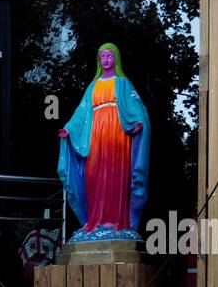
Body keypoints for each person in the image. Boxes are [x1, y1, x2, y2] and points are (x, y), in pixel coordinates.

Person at [57, 42, 151, 240]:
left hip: (117, 134)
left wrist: (137, 121)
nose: (106, 60)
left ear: (116, 59)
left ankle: (118, 221)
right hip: (96, 135)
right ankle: (95, 220)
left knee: (116, 174)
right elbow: (82, 110)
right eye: (102, 57)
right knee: (93, 175)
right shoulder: (94, 85)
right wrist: (69, 128)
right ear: (99, 61)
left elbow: (136, 106)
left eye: (109, 56)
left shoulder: (123, 83)